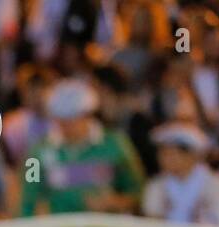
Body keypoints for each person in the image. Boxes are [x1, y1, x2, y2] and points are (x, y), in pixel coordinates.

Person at [18, 77, 144, 217]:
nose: (66, 126)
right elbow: (28, 197)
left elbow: (138, 191)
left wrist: (114, 202)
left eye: (72, 119)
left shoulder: (117, 144)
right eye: (61, 120)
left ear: (87, 115)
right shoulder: (36, 153)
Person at [141, 122, 219, 224]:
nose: (164, 159)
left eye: (171, 154)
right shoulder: (156, 185)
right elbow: (152, 219)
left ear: (192, 156)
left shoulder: (215, 184)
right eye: (163, 154)